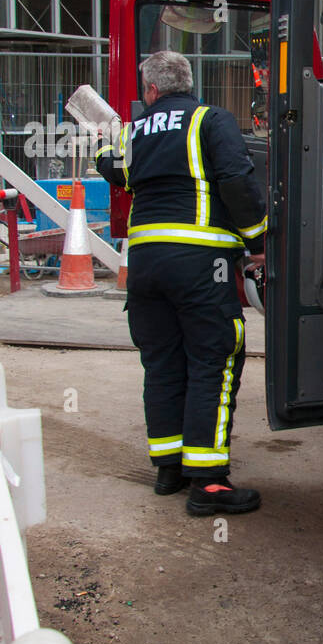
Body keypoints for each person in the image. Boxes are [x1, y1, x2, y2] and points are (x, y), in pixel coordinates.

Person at [95, 50, 268, 516]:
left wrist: (101, 140)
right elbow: (235, 178)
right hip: (199, 264)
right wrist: (258, 240)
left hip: (145, 267)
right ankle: (208, 484)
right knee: (213, 359)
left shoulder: (133, 133)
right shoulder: (211, 120)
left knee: (163, 365)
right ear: (188, 85)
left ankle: (170, 468)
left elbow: (115, 170)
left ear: (150, 91)